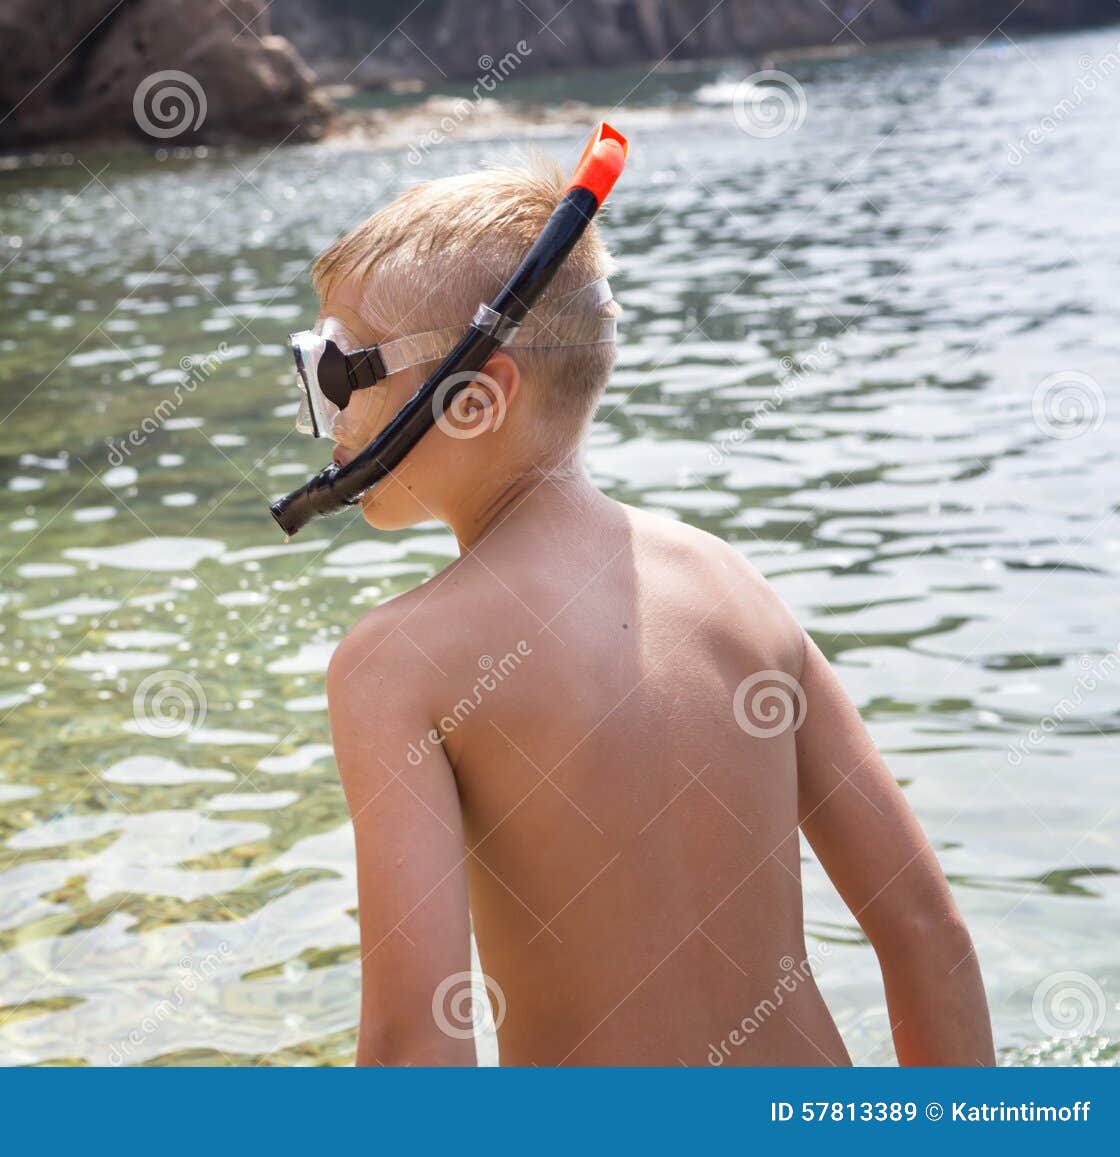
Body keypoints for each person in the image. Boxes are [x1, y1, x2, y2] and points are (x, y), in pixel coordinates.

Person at [307, 154, 994, 1066]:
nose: (324, 415)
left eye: (337, 369)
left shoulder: (395, 662)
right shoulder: (730, 585)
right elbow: (928, 937)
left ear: (476, 398)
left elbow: (413, 1045)